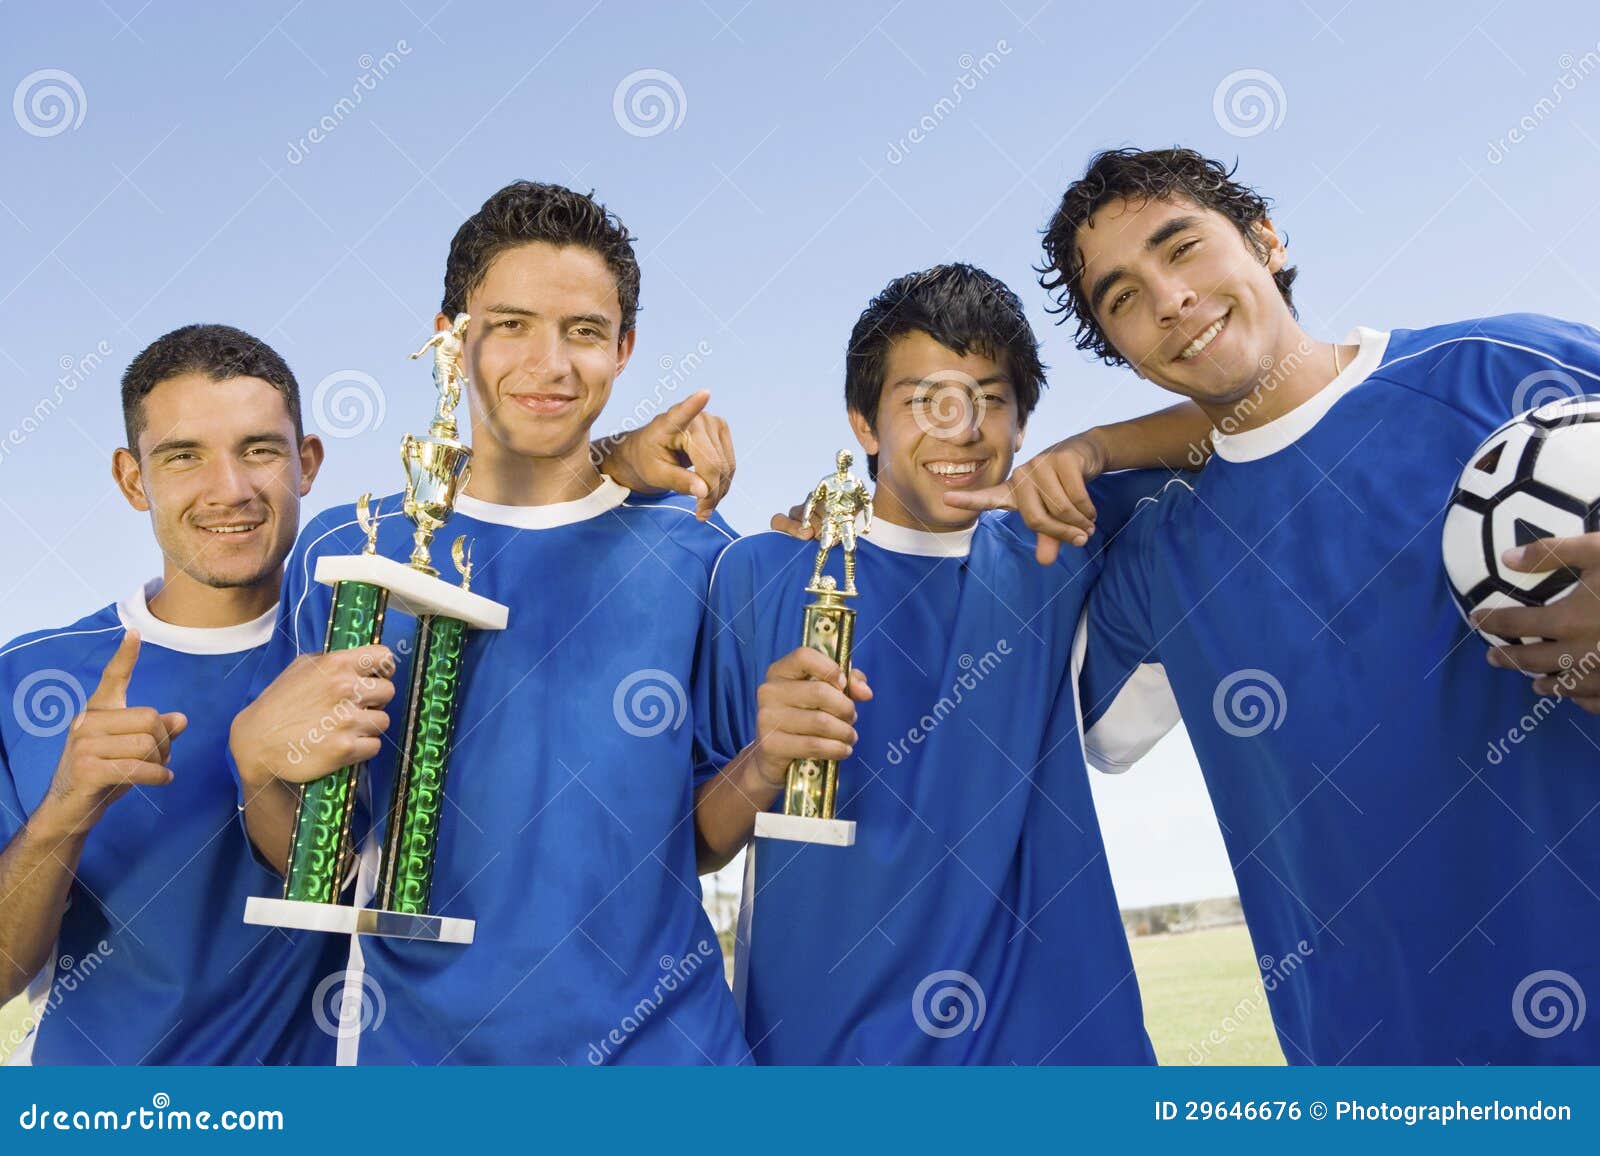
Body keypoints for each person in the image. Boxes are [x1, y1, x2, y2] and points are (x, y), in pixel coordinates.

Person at [947, 147, 1600, 1063]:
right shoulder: (1154, 553)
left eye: (1183, 248)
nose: (1168, 299)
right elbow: (1000, 726)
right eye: (1123, 298)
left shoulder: (1506, 368)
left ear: (1264, 238)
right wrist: (1086, 456)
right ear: (1120, 351)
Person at [229, 181, 750, 1065]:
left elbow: (698, 839)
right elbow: (319, 857)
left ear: (624, 349)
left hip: (672, 1063)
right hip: (425, 1068)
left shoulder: (700, 552)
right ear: (451, 336)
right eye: (510, 324)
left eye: (584, 331)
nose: (549, 365)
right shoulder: (352, 549)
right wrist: (255, 763)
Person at [696, 264, 1197, 1063]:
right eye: (925, 400)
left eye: (992, 399)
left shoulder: (1066, 538)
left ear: (1026, 423)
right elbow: (694, 844)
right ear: (865, 423)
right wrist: (765, 764)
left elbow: (1238, 421)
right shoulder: (757, 573)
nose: (962, 427)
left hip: (1067, 1061)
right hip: (832, 1067)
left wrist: (1093, 450)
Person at [0, 324, 352, 1064]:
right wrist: (65, 814)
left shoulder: (371, 654)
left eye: (259, 450)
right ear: (134, 480)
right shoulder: (27, 679)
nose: (230, 489)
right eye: (184, 456)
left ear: (306, 463)